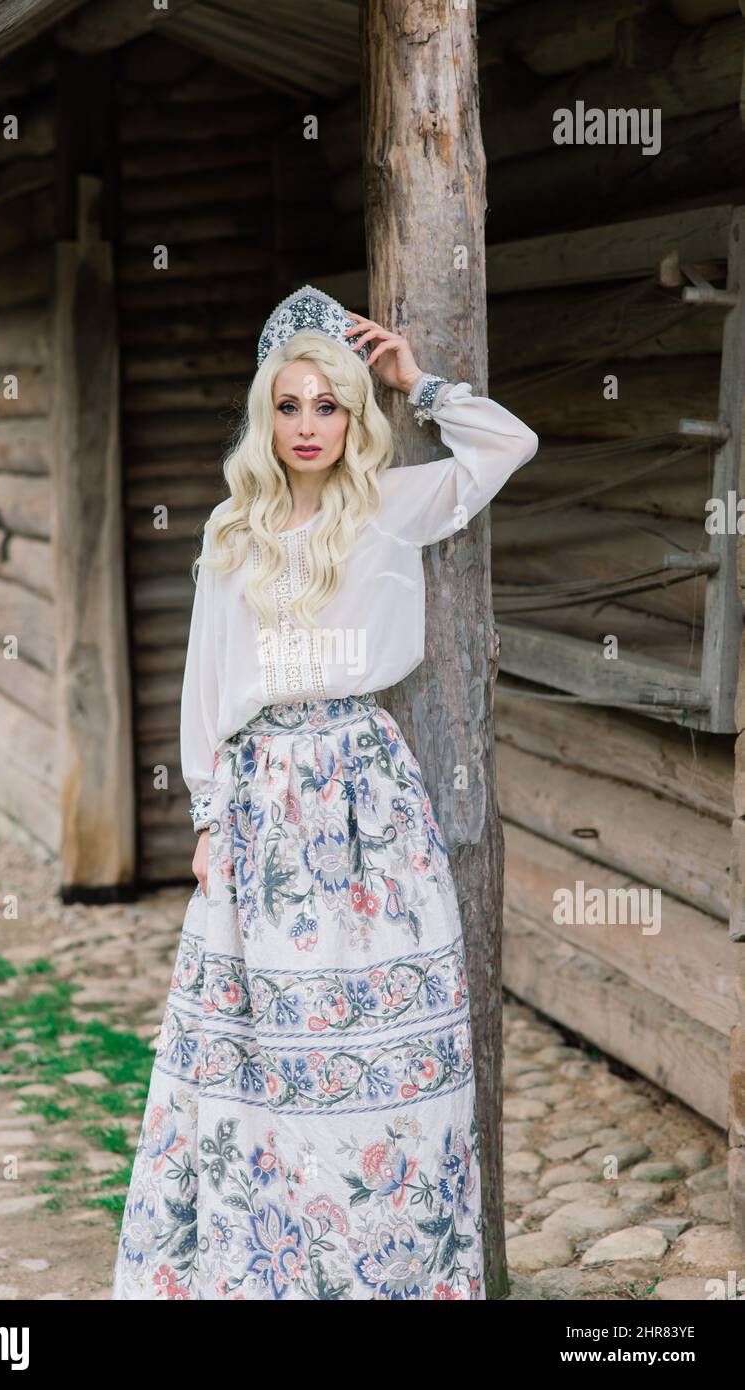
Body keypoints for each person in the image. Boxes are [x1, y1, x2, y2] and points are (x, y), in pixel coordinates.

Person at [111, 284, 539, 1301]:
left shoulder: (394, 504)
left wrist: (416, 381)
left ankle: (384, 1267)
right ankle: (272, 1266)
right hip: (263, 800)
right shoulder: (231, 529)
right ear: (268, 414)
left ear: (355, 413)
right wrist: (210, 814)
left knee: (389, 1043)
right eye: (291, 405)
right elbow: (206, 680)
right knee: (263, 1044)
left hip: (370, 800)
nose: (309, 425)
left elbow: (508, 444)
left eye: (330, 405)